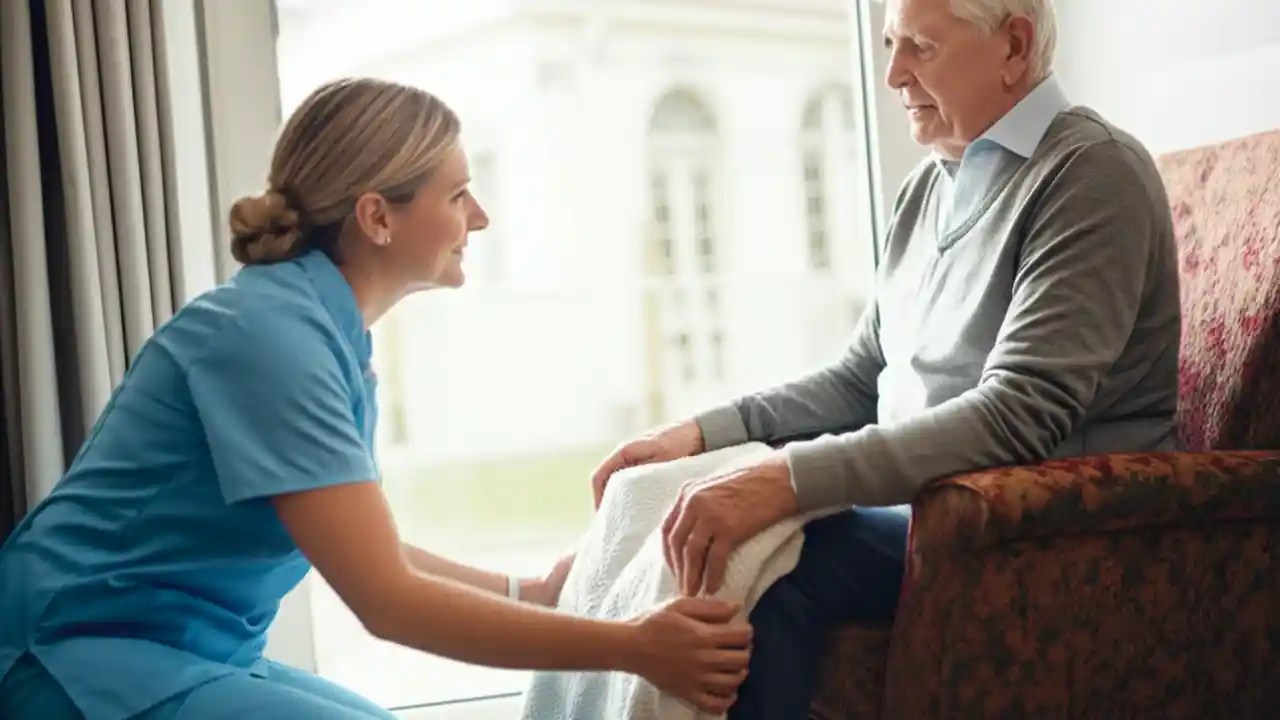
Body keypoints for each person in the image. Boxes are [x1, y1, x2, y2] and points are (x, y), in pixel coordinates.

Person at [0, 78, 752, 720]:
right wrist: (635, 648)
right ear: (377, 217)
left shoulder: (314, 329)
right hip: (74, 657)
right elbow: (386, 600)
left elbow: (365, 546)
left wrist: (536, 590)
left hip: (167, 648)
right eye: (458, 194)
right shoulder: (272, 340)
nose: (479, 218)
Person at [590, 0, 1180, 717]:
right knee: (648, 497)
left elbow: (1021, 414)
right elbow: (862, 374)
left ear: (1014, 47)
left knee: (765, 562)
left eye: (922, 48)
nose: (894, 73)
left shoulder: (1091, 174)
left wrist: (785, 479)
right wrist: (702, 433)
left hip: (1036, 529)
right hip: (917, 510)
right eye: (891, 43)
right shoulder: (930, 185)